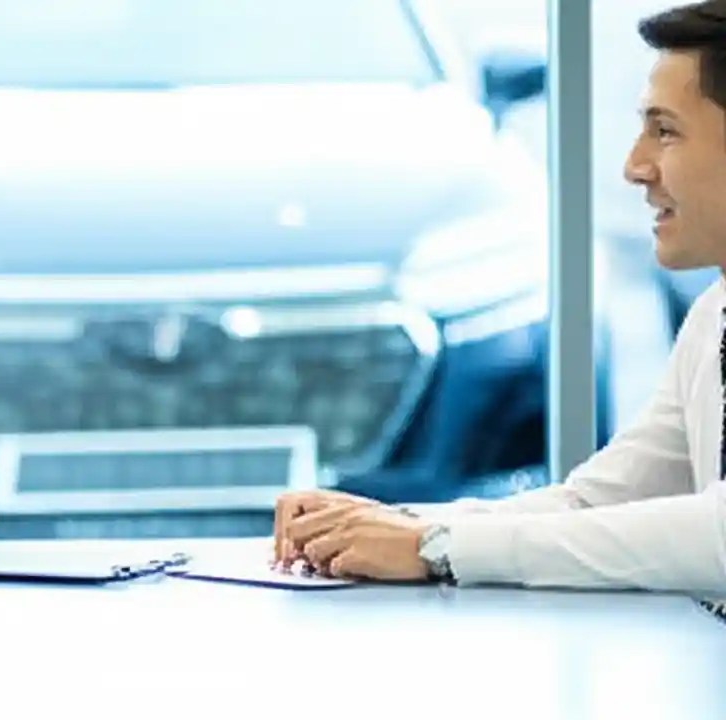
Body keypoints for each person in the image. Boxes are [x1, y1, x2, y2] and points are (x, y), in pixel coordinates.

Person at [274, 0, 726, 601]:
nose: (634, 166)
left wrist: (438, 550)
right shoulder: (711, 317)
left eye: (665, 130)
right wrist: (386, 526)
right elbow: (595, 502)